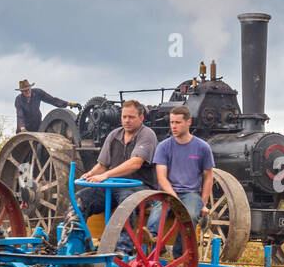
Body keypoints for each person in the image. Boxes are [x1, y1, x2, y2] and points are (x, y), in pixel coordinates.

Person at [72, 100, 157, 251]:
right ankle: (75, 246)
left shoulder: (147, 135)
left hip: (140, 188)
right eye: (124, 117)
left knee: (125, 201)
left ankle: (122, 251)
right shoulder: (114, 135)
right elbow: (102, 165)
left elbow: (135, 163)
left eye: (131, 117)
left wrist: (105, 175)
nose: (127, 121)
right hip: (112, 187)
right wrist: (90, 174)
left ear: (141, 118)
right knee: (80, 199)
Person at [152, 106, 214, 257]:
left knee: (191, 215)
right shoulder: (163, 146)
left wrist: (203, 204)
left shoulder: (202, 147)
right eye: (172, 122)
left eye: (178, 122)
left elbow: (208, 177)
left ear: (188, 122)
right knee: (154, 218)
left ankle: (180, 255)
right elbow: (161, 177)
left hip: (190, 193)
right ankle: (152, 251)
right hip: (166, 191)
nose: (173, 126)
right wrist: (173, 198)